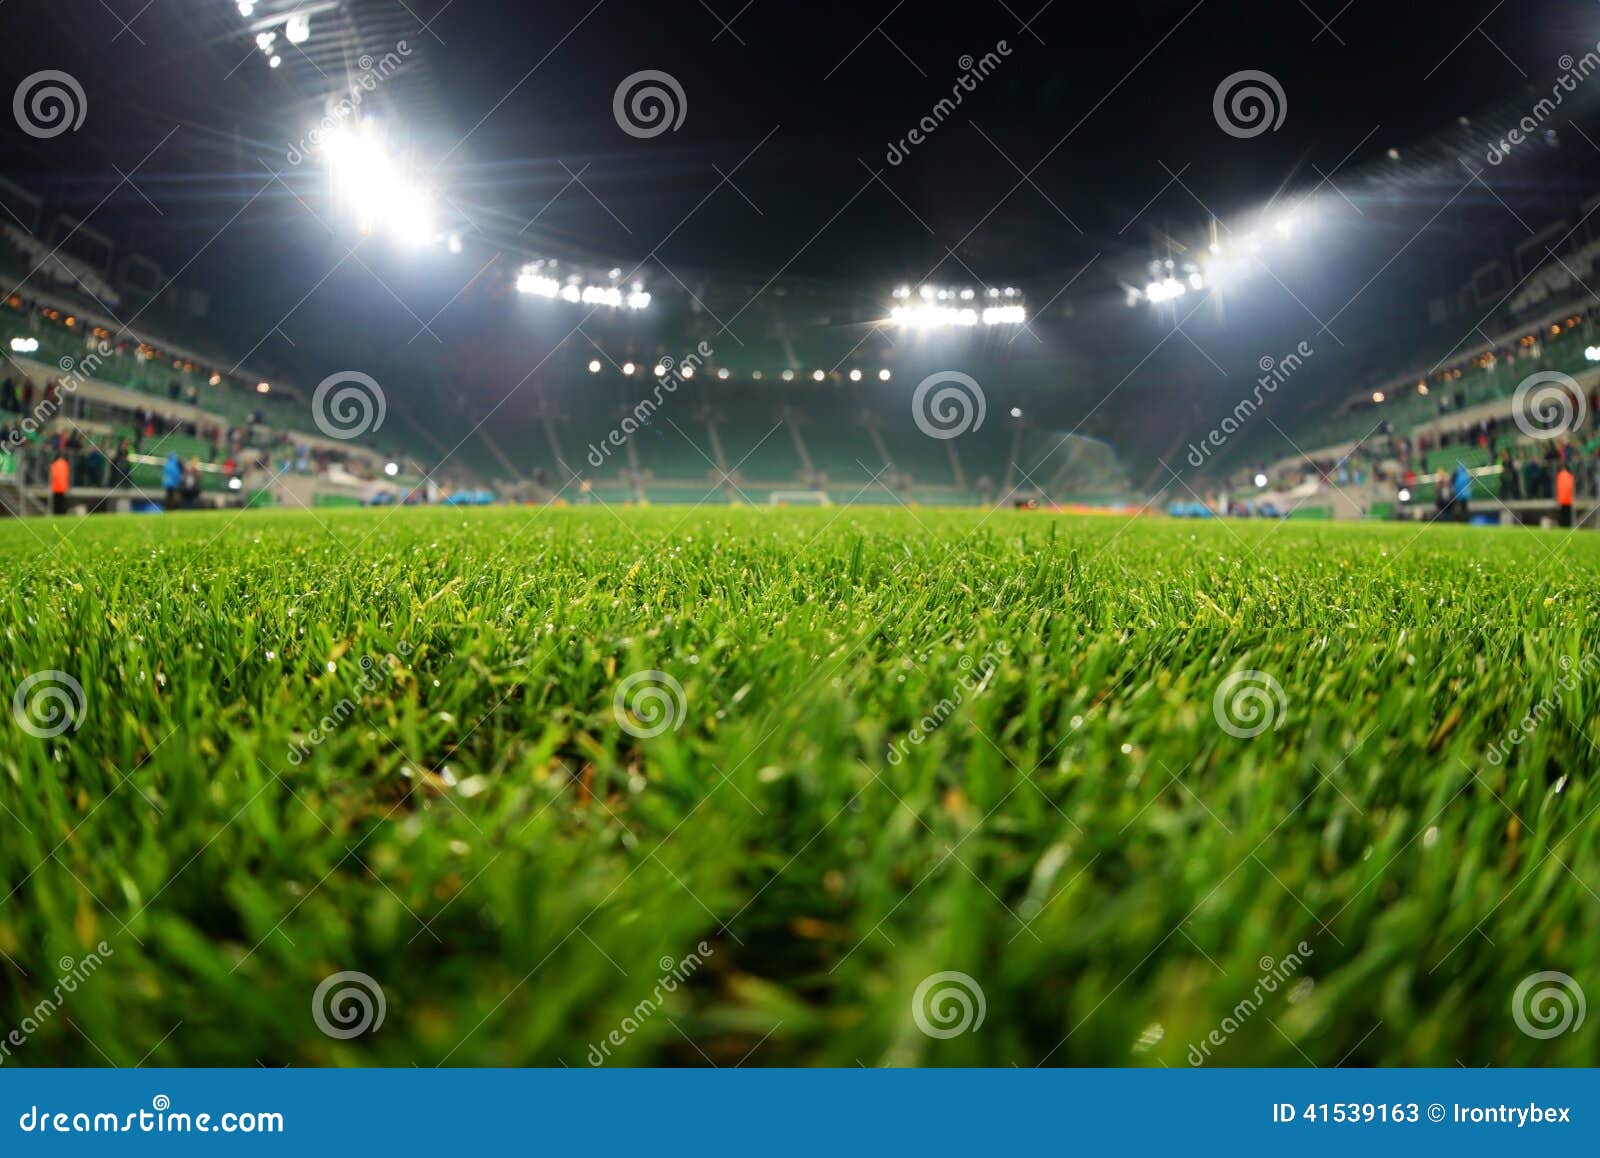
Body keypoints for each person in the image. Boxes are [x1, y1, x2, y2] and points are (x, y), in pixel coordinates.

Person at [49, 450, 70, 516]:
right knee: (62, 501)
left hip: (56, 486)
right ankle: (63, 513)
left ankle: (57, 513)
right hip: (62, 486)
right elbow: (66, 476)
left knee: (56, 502)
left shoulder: (54, 464)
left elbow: (53, 476)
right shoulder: (65, 464)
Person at [1556, 462, 1575, 528]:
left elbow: (1558, 487)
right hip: (1568, 498)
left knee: (1562, 513)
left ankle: (1562, 525)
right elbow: (1571, 487)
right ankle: (1567, 525)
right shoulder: (1569, 476)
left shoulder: (1559, 475)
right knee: (1567, 513)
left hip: (1562, 498)